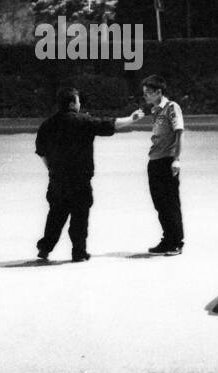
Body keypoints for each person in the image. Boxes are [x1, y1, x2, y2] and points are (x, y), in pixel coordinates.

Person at [34, 88, 143, 262]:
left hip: (57, 179)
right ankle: (79, 252)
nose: (80, 104)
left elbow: (41, 152)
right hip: (80, 180)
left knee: (55, 215)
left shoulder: (47, 125)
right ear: (72, 104)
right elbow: (109, 124)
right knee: (79, 217)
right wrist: (131, 119)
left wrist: (51, 169)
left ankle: (45, 248)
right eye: (78, 101)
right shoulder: (83, 121)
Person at [141, 75, 186, 255]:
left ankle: (176, 242)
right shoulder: (156, 110)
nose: (145, 96)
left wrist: (176, 159)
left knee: (170, 203)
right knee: (160, 203)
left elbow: (179, 132)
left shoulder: (171, 107)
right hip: (155, 161)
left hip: (167, 160)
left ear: (159, 92)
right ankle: (167, 239)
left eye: (148, 93)